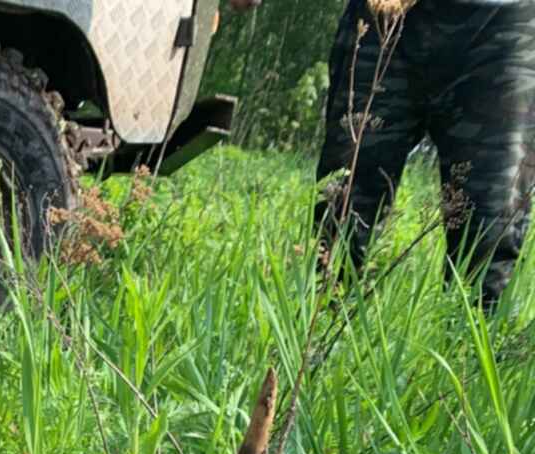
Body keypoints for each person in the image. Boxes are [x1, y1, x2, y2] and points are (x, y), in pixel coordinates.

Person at [228, 0, 535, 309]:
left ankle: (468, 352)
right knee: (342, 212)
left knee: (488, 234)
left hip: (502, 32)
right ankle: (313, 342)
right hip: (380, 18)